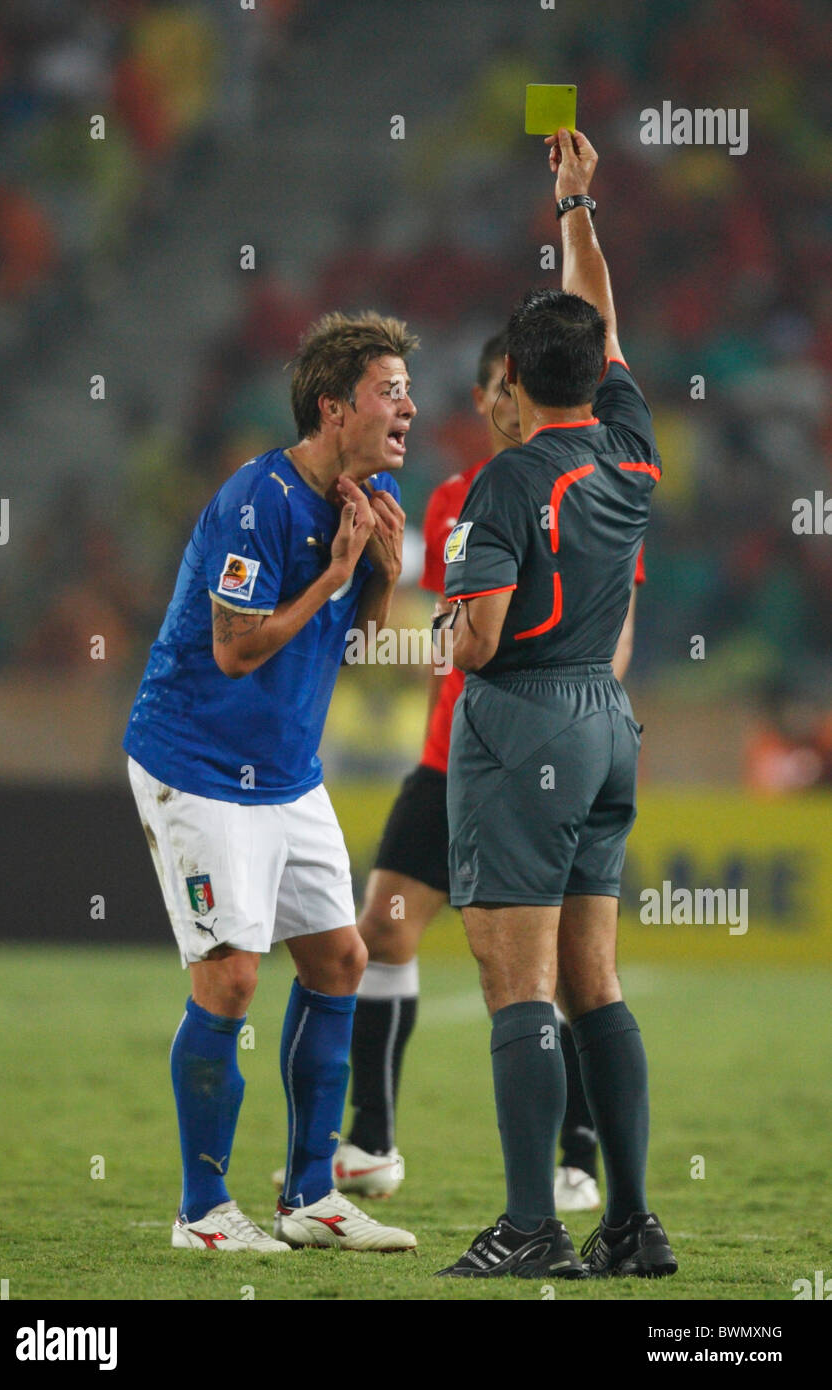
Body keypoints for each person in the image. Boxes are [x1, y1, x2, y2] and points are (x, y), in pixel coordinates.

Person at [323, 332, 645, 1210]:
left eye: (521, 384)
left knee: (553, 969)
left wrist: (560, 714)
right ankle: (372, 1144)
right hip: (449, 756)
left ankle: (574, 1163)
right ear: (484, 400)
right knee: (383, 929)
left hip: (533, 751)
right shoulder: (456, 500)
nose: (511, 401)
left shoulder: (589, 483)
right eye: (497, 388)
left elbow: (592, 628)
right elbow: (446, 630)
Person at [123, 311, 420, 1254]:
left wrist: (376, 571)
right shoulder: (259, 500)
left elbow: (363, 647)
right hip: (196, 763)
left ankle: (310, 1198)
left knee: (339, 961)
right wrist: (334, 576)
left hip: (288, 773)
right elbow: (236, 648)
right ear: (334, 409)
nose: (408, 405)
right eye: (389, 390)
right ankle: (202, 1212)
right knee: (234, 979)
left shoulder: (365, 497)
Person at [437, 129, 676, 1280]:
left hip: (521, 719)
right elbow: (604, 326)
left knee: (516, 986)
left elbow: (477, 636)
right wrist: (575, 203)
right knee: (596, 981)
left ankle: (530, 1225)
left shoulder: (504, 478)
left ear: (512, 385)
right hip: (604, 721)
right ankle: (628, 1223)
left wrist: (441, 619)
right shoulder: (629, 448)